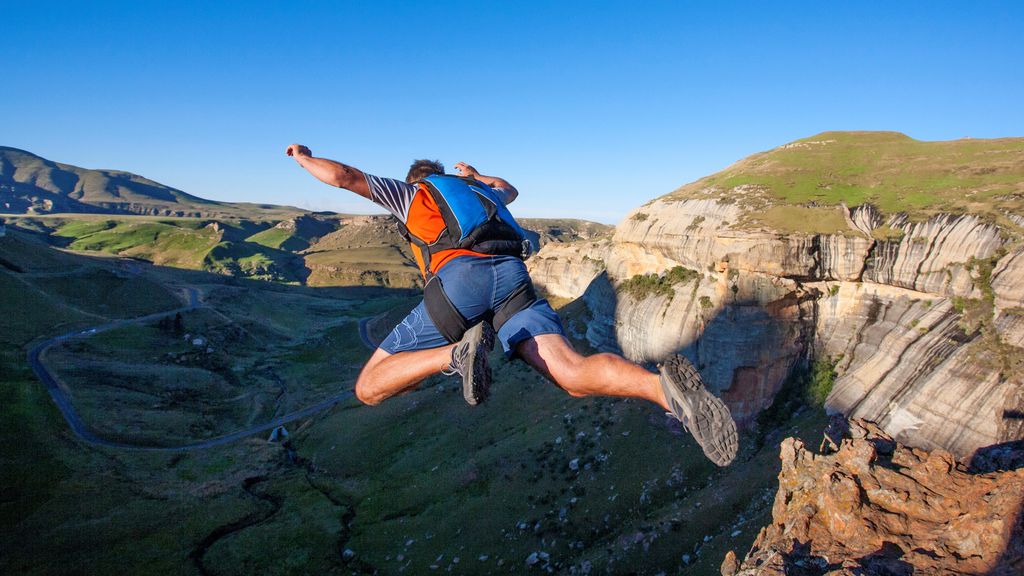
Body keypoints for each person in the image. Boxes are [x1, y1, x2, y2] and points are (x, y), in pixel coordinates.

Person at [286, 145, 738, 466]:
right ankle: (665, 392)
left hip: (461, 282)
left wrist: (304, 158)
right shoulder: (483, 193)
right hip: (514, 278)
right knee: (571, 373)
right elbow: (510, 188)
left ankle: (455, 354)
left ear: (415, 179)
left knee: (369, 388)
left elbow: (344, 177)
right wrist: (477, 175)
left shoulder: (414, 193)